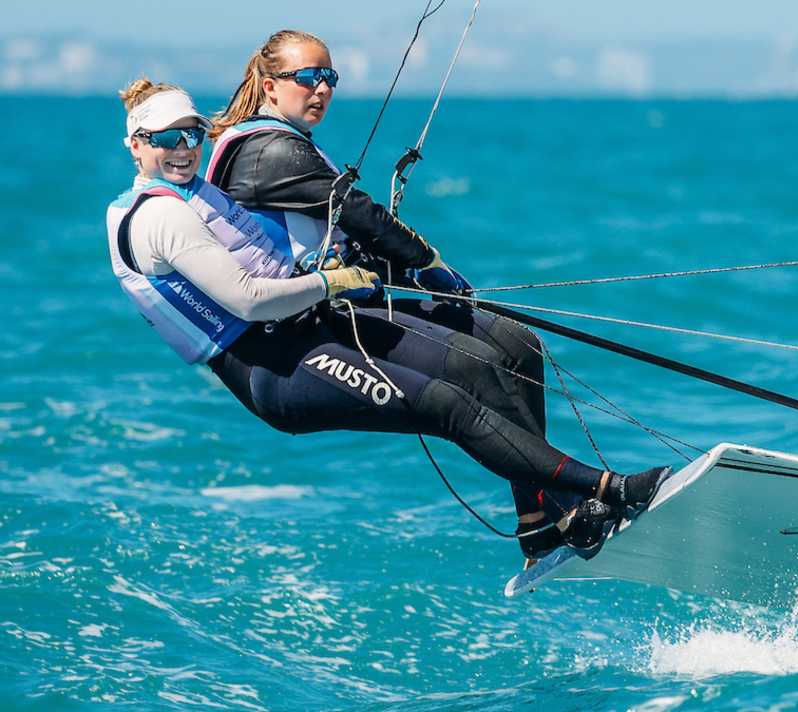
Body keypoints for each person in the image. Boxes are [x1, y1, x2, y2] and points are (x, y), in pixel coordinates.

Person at [106, 77, 667, 563]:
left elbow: (271, 255)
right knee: (447, 405)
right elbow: (250, 300)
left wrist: (338, 267)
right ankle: (606, 487)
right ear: (136, 145)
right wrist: (330, 283)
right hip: (272, 369)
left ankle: (542, 522)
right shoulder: (160, 217)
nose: (184, 149)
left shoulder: (195, 194)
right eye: (166, 139)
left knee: (479, 361)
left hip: (307, 329)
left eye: (193, 135)